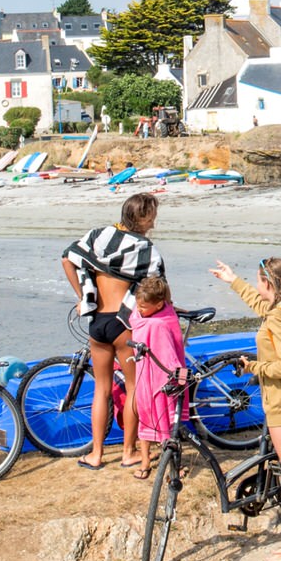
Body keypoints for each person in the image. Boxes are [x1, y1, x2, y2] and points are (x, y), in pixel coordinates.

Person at [210, 255, 281, 561]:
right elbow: (261, 306)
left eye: (258, 281)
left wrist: (253, 367)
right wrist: (233, 280)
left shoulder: (278, 318)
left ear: (268, 282)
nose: (257, 287)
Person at [60, 192, 166, 471]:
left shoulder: (98, 236)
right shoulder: (145, 249)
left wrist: (83, 297)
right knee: (133, 387)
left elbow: (67, 258)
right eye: (151, 217)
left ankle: (96, 454)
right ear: (142, 217)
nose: (153, 223)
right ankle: (128, 452)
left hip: (98, 321)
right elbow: (159, 290)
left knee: (101, 389)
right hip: (123, 324)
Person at [127, 274, 188, 479]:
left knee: (167, 420)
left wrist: (179, 378)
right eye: (138, 305)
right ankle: (145, 460)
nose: (139, 310)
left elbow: (172, 356)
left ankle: (172, 464)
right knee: (145, 416)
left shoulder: (162, 323)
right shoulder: (140, 317)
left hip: (163, 377)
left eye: (144, 307)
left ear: (159, 304)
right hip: (145, 374)